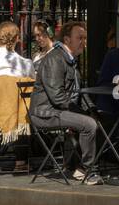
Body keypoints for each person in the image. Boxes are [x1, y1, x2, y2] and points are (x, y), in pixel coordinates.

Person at [30, 20, 102, 185]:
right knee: (89, 124)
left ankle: (74, 166)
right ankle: (87, 171)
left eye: (85, 38)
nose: (84, 42)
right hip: (45, 113)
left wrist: (91, 109)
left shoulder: (70, 60)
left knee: (97, 120)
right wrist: (81, 113)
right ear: (67, 40)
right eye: (80, 38)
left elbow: (80, 92)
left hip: (60, 111)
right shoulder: (55, 59)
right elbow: (57, 96)